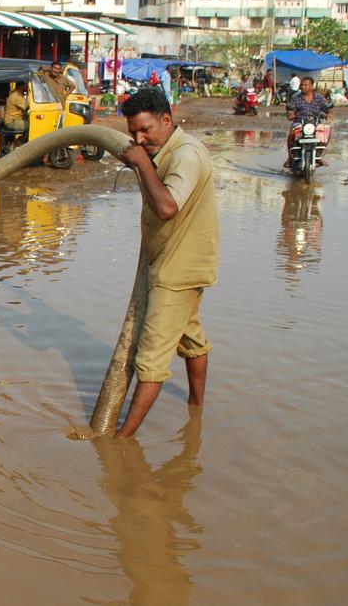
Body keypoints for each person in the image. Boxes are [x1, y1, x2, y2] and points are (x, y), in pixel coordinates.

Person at [112, 88, 219, 438]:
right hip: (172, 261)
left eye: (146, 131)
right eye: (133, 134)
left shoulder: (186, 155)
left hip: (178, 269)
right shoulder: (164, 150)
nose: (140, 140)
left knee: (151, 356)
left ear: (166, 121)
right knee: (190, 339)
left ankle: (121, 441)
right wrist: (145, 161)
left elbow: (168, 207)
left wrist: (142, 163)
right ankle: (196, 411)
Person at [284, 76, 333, 169]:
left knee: (327, 132)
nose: (303, 87)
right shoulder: (296, 98)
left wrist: (329, 114)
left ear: (311, 86)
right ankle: (290, 158)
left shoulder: (319, 98)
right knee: (291, 134)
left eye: (305, 85)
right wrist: (290, 114)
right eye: (302, 85)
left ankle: (318, 156)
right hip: (300, 122)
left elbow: (328, 108)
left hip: (315, 123)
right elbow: (290, 109)